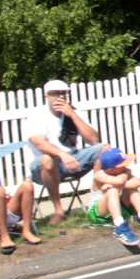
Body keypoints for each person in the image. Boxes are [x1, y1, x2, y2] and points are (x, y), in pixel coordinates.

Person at [24, 80, 103, 224]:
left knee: (105, 150)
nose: (60, 96)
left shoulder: (74, 111)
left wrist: (73, 115)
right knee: (47, 159)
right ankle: (58, 211)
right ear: (46, 96)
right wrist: (63, 155)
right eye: (55, 93)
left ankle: (96, 202)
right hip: (43, 167)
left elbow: (94, 140)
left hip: (73, 159)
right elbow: (39, 143)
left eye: (63, 93)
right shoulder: (36, 115)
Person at [89, 146, 140, 249]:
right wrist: (125, 175)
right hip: (99, 214)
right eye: (123, 165)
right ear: (112, 169)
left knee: (132, 189)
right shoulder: (99, 175)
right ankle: (120, 227)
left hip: (119, 207)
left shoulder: (122, 173)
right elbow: (119, 181)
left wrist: (122, 183)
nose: (126, 167)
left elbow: (137, 182)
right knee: (112, 191)